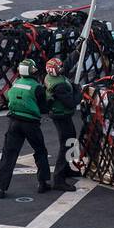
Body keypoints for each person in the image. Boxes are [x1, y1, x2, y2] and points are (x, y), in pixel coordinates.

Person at [0, 58, 52, 198]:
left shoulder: (15, 84)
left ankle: (2, 188)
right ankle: (42, 182)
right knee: (40, 151)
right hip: (31, 123)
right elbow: (44, 108)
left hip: (13, 122)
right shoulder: (36, 87)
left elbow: (9, 98)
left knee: (8, 155)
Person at [44, 57, 81, 192]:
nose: (62, 68)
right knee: (65, 145)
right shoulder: (60, 86)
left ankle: (67, 169)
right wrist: (78, 91)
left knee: (71, 139)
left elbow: (66, 64)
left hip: (59, 114)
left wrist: (76, 52)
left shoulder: (50, 77)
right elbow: (72, 102)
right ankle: (59, 179)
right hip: (61, 115)